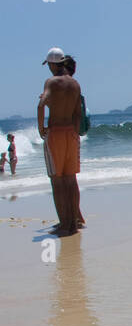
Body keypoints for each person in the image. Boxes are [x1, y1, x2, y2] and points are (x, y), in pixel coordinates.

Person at [37, 47, 83, 235]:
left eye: (48, 65)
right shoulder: (75, 84)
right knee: (70, 179)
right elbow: (78, 113)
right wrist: (75, 132)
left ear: (52, 64)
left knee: (57, 181)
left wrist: (41, 128)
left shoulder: (51, 82)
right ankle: (73, 222)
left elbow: (41, 104)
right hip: (71, 133)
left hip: (55, 132)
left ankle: (64, 224)